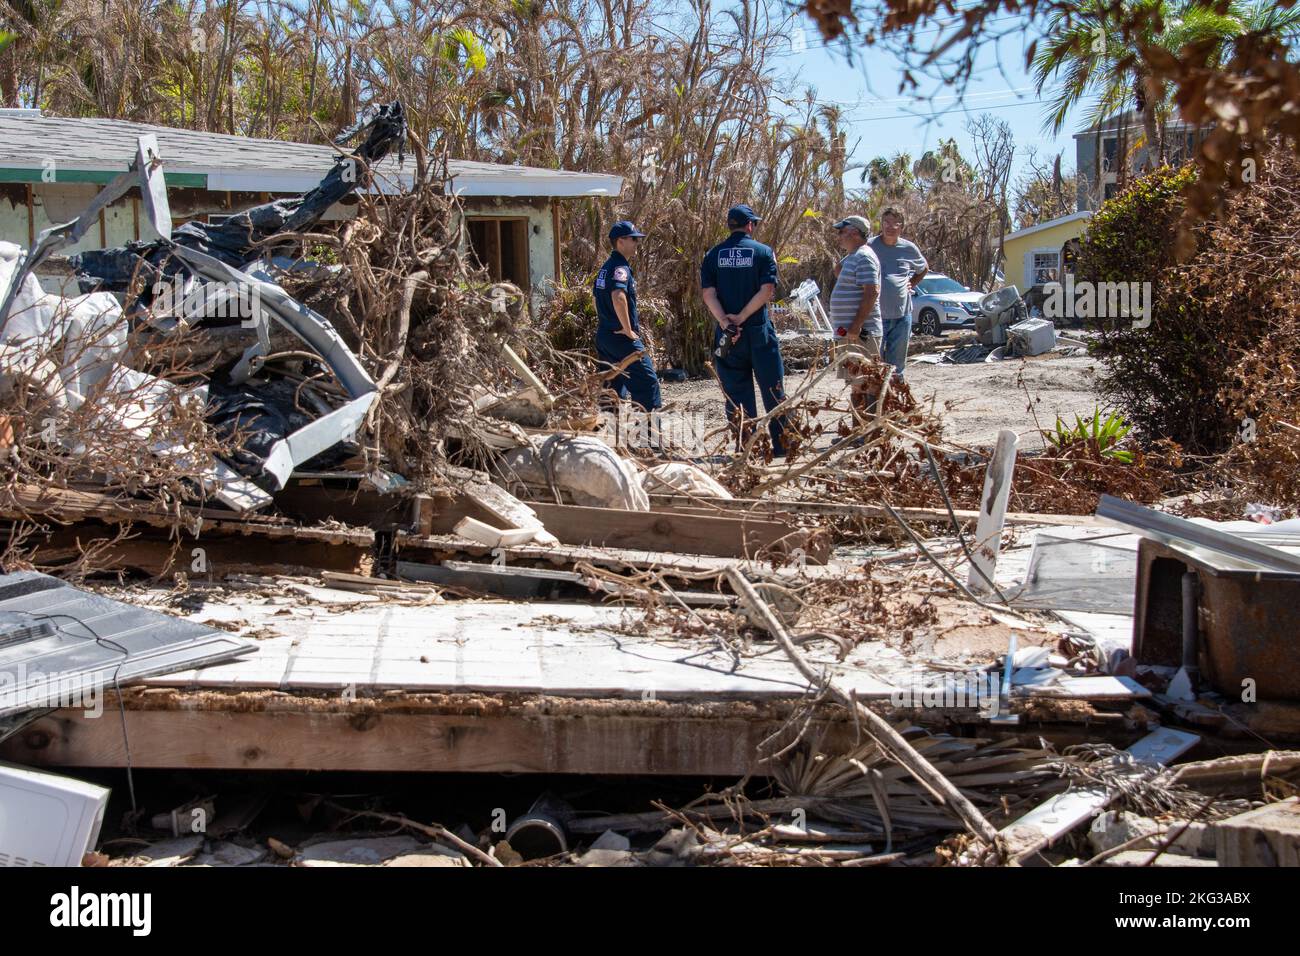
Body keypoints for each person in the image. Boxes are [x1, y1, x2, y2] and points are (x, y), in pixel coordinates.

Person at [700, 204, 788, 456]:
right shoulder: (763, 252)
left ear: (731, 225)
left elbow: (708, 294)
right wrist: (743, 316)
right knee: (774, 389)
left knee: (737, 394)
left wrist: (726, 322)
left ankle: (748, 446)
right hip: (758, 330)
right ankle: (782, 446)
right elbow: (767, 290)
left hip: (729, 336)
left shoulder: (713, 255)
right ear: (750, 225)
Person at [592, 220, 661, 411]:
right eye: (634, 239)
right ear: (620, 241)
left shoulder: (605, 268)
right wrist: (628, 329)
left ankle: (611, 436)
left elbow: (595, 299)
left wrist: (606, 321)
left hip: (605, 336)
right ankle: (650, 437)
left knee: (611, 388)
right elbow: (618, 296)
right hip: (622, 339)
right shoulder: (620, 268)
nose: (637, 243)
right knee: (648, 384)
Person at [869, 207, 928, 380]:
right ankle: (874, 402)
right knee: (874, 364)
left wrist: (912, 282)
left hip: (902, 315)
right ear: (881, 224)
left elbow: (923, 268)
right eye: (887, 222)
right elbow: (844, 268)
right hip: (875, 316)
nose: (890, 227)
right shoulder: (870, 246)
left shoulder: (908, 248)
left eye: (895, 223)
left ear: (901, 226)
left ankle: (894, 400)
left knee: (896, 367)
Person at [828, 215, 881, 358]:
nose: (838, 236)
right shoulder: (855, 256)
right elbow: (837, 270)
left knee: (863, 379)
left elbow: (872, 292)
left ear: (855, 233)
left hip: (859, 334)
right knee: (852, 380)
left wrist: (856, 326)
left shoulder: (864, 257)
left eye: (841, 232)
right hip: (847, 334)